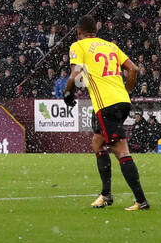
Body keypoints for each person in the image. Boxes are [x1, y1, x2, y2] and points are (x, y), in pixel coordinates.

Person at [64, 15, 150, 211]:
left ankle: (141, 200)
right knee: (97, 143)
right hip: (122, 101)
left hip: (106, 104)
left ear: (79, 32)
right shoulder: (110, 46)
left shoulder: (78, 46)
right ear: (96, 31)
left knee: (121, 150)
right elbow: (133, 69)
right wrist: (127, 91)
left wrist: (68, 93)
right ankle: (106, 194)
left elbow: (76, 74)